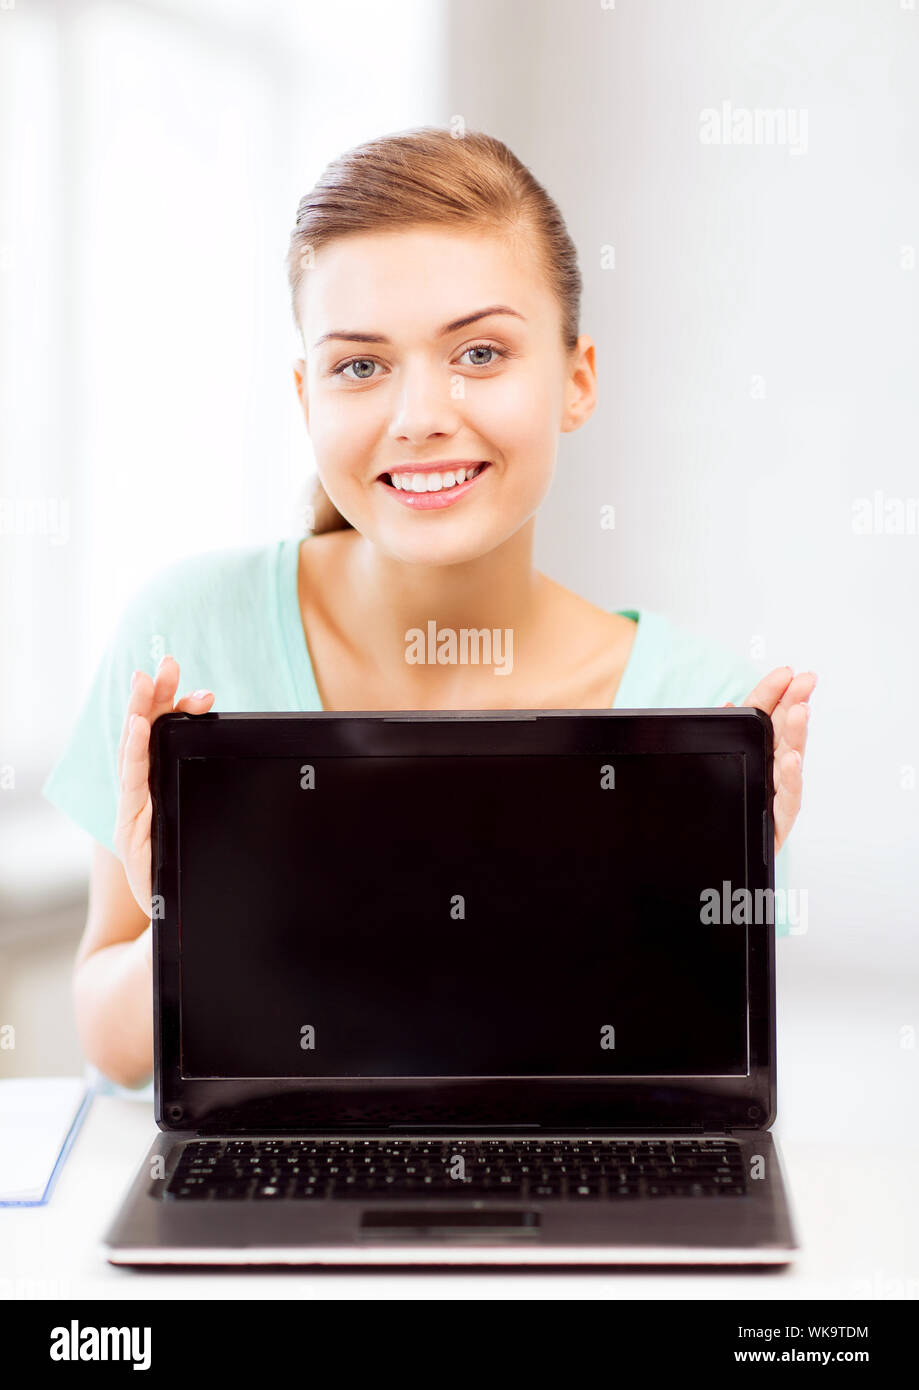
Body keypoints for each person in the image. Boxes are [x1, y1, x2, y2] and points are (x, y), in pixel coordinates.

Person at [42, 127, 816, 1093]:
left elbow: (675, 1089)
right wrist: (204, 917)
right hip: (269, 1210)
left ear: (575, 379)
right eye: (360, 366)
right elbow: (109, 1042)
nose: (419, 414)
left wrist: (695, 903)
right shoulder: (184, 636)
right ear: (306, 396)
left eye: (480, 352)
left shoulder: (698, 706)